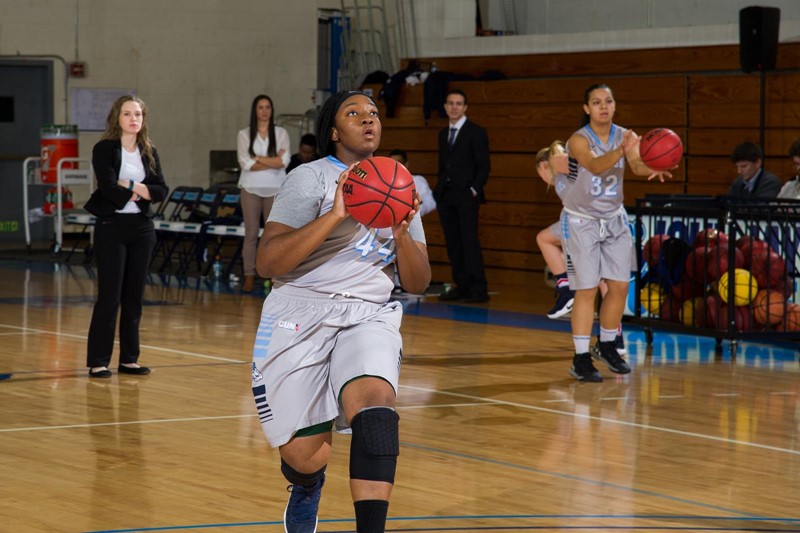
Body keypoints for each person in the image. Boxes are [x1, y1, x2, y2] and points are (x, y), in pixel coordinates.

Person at [250, 90, 430, 533]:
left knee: (376, 407)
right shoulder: (309, 178)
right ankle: (307, 486)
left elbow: (418, 282)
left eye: (373, 113)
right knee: (306, 457)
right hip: (300, 309)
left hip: (368, 312)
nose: (368, 120)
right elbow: (267, 263)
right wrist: (336, 215)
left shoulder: (399, 182)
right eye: (354, 113)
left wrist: (402, 235)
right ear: (333, 131)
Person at [562, 83, 671, 382]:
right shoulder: (578, 140)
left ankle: (607, 345)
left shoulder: (625, 136)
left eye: (608, 101)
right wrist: (622, 149)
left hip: (613, 218)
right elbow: (595, 166)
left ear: (614, 105)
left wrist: (654, 164)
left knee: (620, 286)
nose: (603, 106)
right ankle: (580, 358)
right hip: (582, 220)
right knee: (587, 289)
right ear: (587, 108)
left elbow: (635, 165)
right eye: (597, 102)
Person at [84, 95, 168, 378]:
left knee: (134, 296)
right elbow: (108, 187)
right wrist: (142, 191)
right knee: (109, 297)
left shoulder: (149, 151)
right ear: (117, 118)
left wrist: (131, 185)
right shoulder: (104, 148)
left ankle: (129, 359)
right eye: (127, 114)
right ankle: (98, 361)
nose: (134, 119)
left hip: (142, 228)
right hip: (112, 227)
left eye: (138, 114)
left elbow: (161, 190)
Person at [535, 143, 626, 354]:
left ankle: (566, 290)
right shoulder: (561, 177)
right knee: (603, 280)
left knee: (545, 239)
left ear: (542, 166)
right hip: (589, 222)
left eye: (539, 173)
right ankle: (614, 338)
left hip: (593, 223)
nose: (542, 179)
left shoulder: (558, 164)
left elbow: (591, 167)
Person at [434, 89, 491, 303]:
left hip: (467, 195)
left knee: (469, 241)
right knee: (453, 242)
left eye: (458, 103)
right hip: (447, 196)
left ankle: (478, 288)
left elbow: (484, 165)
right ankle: (462, 285)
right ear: (445, 106)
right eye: (451, 103)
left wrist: (473, 189)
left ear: (465, 107)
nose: (454, 107)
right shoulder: (443, 134)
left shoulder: (476, 132)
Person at [236, 94, 291, 293]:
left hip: (275, 188)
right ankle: (249, 275)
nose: (265, 111)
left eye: (268, 107)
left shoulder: (281, 133)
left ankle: (274, 275)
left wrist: (258, 158)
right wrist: (272, 160)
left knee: (274, 235)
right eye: (261, 107)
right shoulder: (244, 134)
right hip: (250, 187)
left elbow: (284, 162)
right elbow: (246, 164)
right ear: (255, 110)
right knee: (251, 233)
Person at [388, 149, 437, 217]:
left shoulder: (417, 181)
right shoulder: (383, 183)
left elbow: (431, 203)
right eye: (393, 163)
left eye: (399, 162)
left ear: (406, 164)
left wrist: (414, 211)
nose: (395, 166)